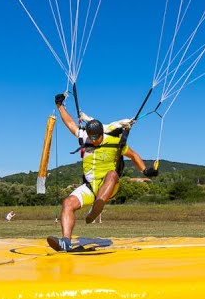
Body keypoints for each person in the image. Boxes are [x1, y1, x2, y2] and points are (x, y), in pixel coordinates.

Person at [48, 93, 156, 252]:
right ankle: (65, 242)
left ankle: (98, 206)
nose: (93, 140)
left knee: (112, 174)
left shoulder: (114, 142)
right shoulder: (85, 138)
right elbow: (70, 124)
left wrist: (146, 170)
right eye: (90, 137)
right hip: (90, 187)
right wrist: (60, 106)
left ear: (102, 134)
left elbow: (132, 155)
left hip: (109, 186)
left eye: (95, 137)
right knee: (67, 203)